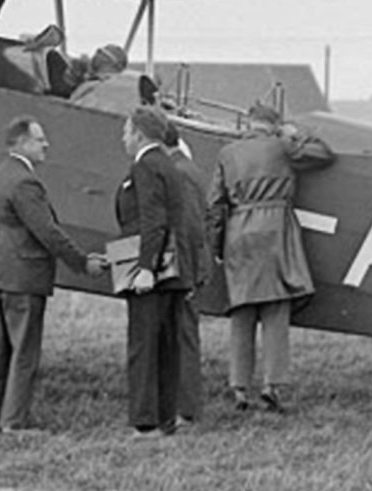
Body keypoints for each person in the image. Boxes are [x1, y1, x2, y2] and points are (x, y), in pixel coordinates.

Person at [0, 115, 107, 433]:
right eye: (39, 139)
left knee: (1, 350)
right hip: (23, 276)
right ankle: (14, 422)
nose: (46, 144)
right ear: (22, 143)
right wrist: (83, 262)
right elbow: (47, 232)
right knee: (25, 351)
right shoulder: (25, 182)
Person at [207, 102, 334, 413]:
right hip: (276, 231)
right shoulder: (283, 148)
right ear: (274, 125)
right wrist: (294, 134)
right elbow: (324, 153)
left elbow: (214, 205)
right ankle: (271, 386)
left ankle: (239, 389)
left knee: (242, 312)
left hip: (239, 233)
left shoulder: (228, 153)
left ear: (249, 124)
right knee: (276, 310)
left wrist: (217, 247)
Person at [113, 105, 192, 438]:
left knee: (143, 346)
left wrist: (145, 268)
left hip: (152, 272)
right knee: (165, 347)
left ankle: (145, 423)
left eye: (126, 131)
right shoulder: (169, 165)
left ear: (139, 134)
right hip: (172, 269)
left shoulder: (145, 166)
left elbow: (152, 219)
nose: (123, 138)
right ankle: (165, 419)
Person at [162, 123, 214, 424]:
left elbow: (190, 227)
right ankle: (183, 406)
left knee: (182, 336)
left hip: (182, 268)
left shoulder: (178, 174)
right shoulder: (187, 169)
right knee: (182, 335)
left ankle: (186, 408)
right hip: (188, 265)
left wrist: (189, 273)